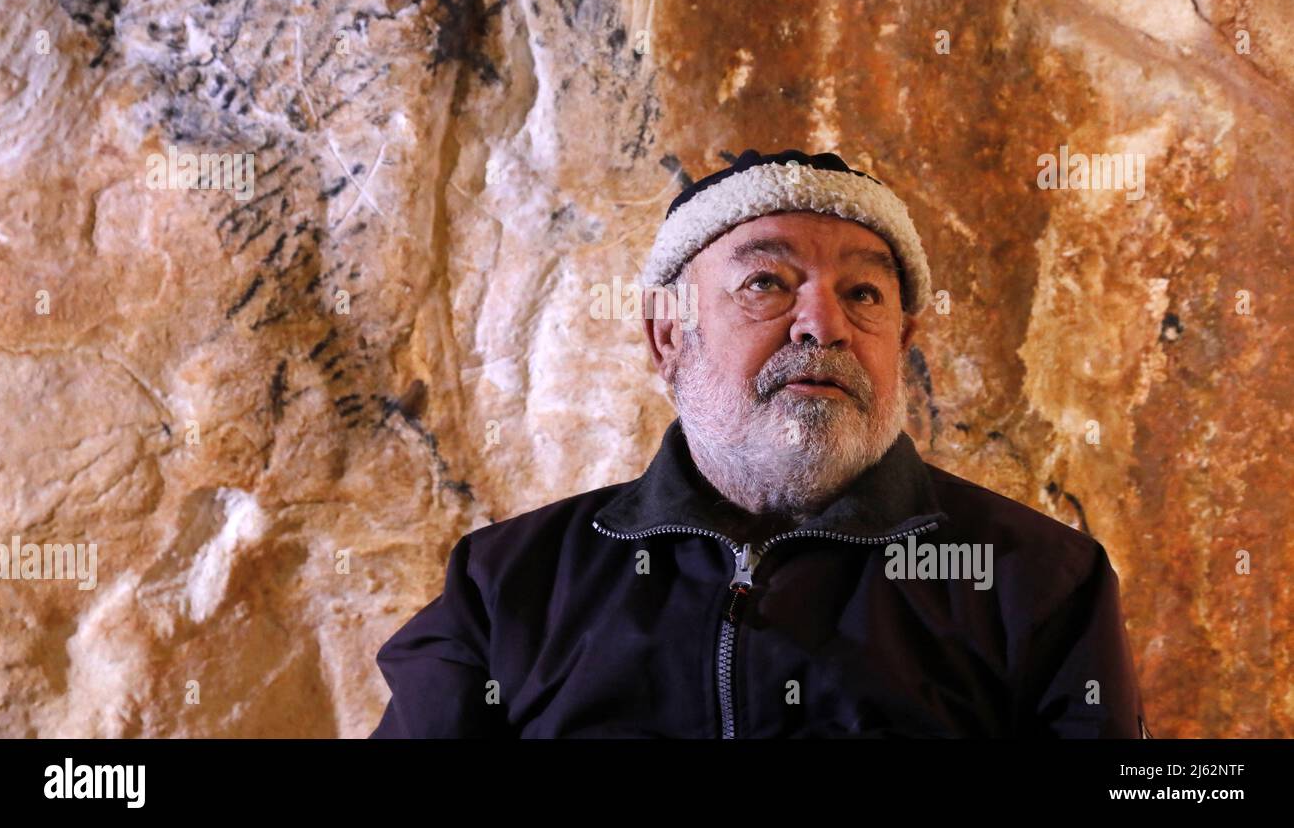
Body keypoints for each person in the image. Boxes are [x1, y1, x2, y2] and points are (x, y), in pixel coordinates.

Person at [370, 148, 1150, 738]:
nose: (824, 324)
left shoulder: (1041, 583)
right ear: (669, 335)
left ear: (903, 340)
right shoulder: (507, 586)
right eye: (767, 283)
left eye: (864, 294)